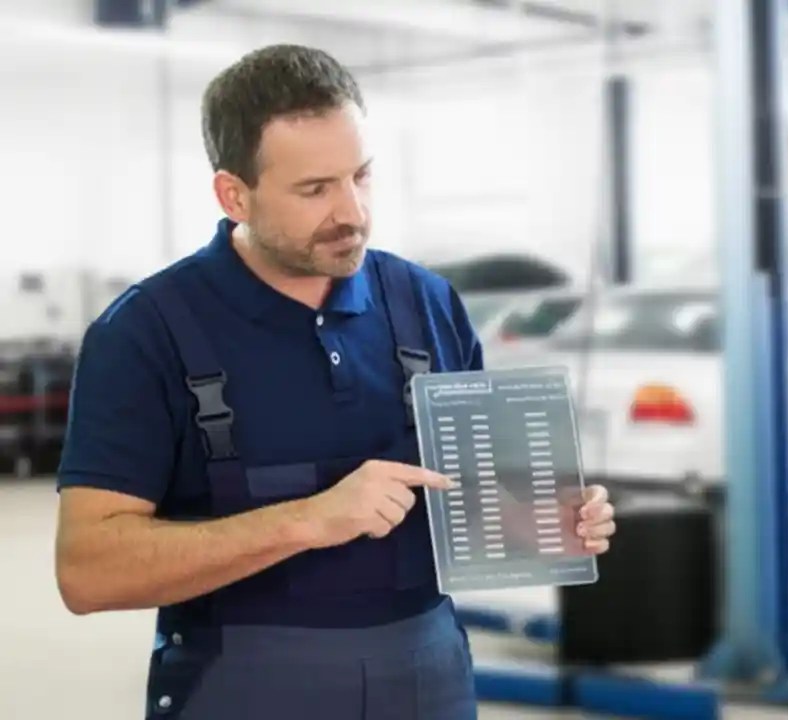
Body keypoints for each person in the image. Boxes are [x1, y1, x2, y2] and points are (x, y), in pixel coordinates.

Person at [53, 44, 617, 720]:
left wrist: (549, 520)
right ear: (234, 195)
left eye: (361, 176)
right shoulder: (145, 333)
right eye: (315, 189)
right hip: (243, 689)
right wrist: (310, 519)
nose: (352, 212)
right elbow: (88, 572)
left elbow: (482, 504)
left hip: (428, 676)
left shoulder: (428, 302)